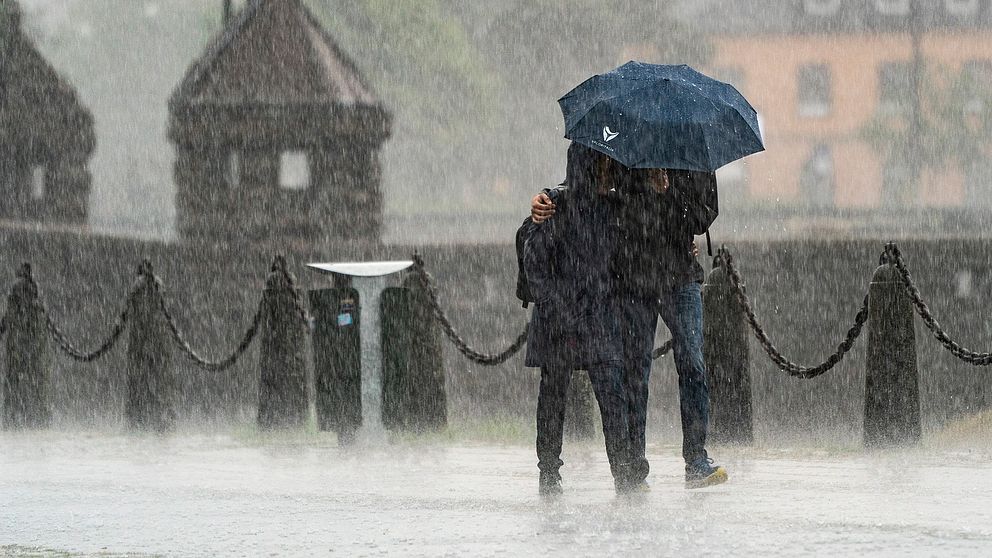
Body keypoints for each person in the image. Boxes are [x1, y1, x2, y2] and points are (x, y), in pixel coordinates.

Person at [530, 155, 728, 490]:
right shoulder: (629, 149)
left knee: (693, 363)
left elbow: (701, 218)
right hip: (634, 278)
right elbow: (595, 191)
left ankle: (696, 458)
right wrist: (549, 197)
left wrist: (668, 193)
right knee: (636, 373)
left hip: (680, 275)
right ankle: (633, 465)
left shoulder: (694, 157)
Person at [522, 142, 634, 496]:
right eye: (603, 164)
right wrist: (557, 310)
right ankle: (549, 472)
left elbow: (624, 261)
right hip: (561, 319)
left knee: (611, 394)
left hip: (598, 315)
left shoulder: (615, 207)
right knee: (554, 395)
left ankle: (622, 473)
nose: (609, 171)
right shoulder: (556, 206)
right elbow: (535, 264)